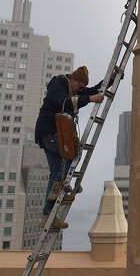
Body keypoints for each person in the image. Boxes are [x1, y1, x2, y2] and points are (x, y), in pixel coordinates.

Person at [35, 65, 104, 228]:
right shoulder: (58, 84)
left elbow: (92, 91)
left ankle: (48, 217)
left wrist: (110, 80)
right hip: (49, 134)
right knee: (72, 153)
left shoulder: (73, 88)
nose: (80, 89)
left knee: (55, 174)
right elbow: (63, 103)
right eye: (79, 86)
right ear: (73, 80)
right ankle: (64, 187)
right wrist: (90, 99)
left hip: (53, 135)